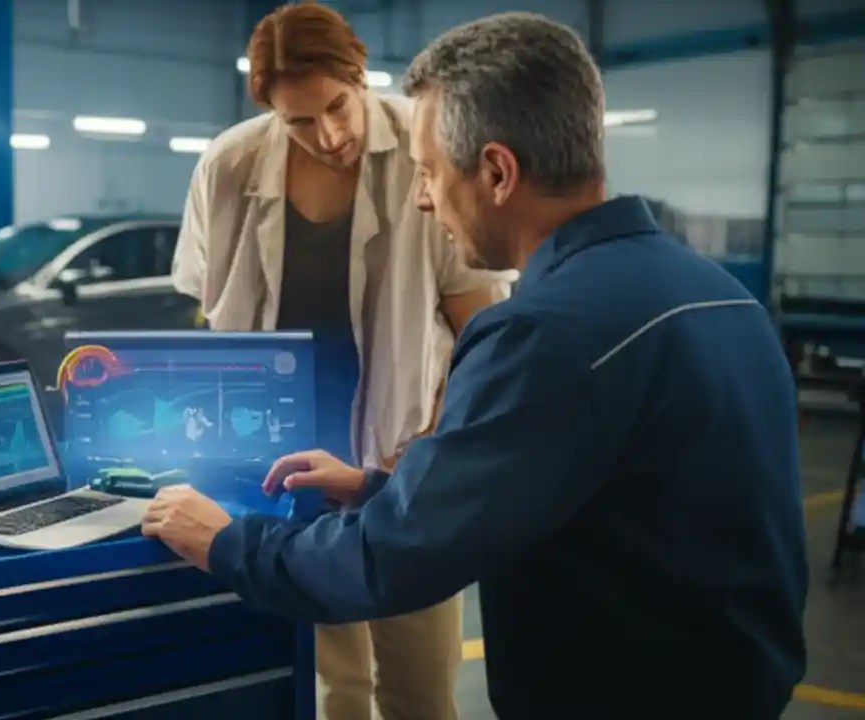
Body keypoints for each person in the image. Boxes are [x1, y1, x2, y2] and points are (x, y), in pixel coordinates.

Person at [147, 11, 808, 719]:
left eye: (428, 173)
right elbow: (559, 492)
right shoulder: (720, 296)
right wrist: (374, 489)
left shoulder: (540, 336)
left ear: (496, 171)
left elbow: (398, 555)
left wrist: (227, 544)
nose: (424, 197)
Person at [168, 4, 510, 718]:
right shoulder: (229, 167)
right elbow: (208, 318)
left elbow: (481, 330)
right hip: (287, 468)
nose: (328, 136)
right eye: (297, 121)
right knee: (331, 686)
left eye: (336, 106)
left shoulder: (429, 152)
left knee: (419, 681)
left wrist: (436, 440)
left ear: (359, 77)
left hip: (400, 459)